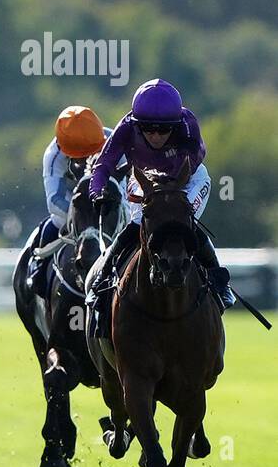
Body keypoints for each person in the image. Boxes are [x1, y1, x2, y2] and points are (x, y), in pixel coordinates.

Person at [86, 79, 232, 338]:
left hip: (187, 181)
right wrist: (96, 190)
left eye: (163, 130)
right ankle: (103, 278)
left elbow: (196, 154)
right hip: (147, 182)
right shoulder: (125, 127)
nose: (154, 135)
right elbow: (104, 163)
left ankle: (220, 285)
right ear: (136, 123)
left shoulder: (188, 124)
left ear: (174, 126)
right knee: (135, 227)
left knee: (184, 223)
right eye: (147, 129)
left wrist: (169, 189)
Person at [26, 105, 115, 297]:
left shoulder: (115, 141)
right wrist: (82, 217)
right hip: (72, 204)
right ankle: (39, 269)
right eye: (80, 157)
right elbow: (54, 200)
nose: (85, 160)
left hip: (106, 201)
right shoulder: (53, 156)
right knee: (53, 224)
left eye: (90, 153)